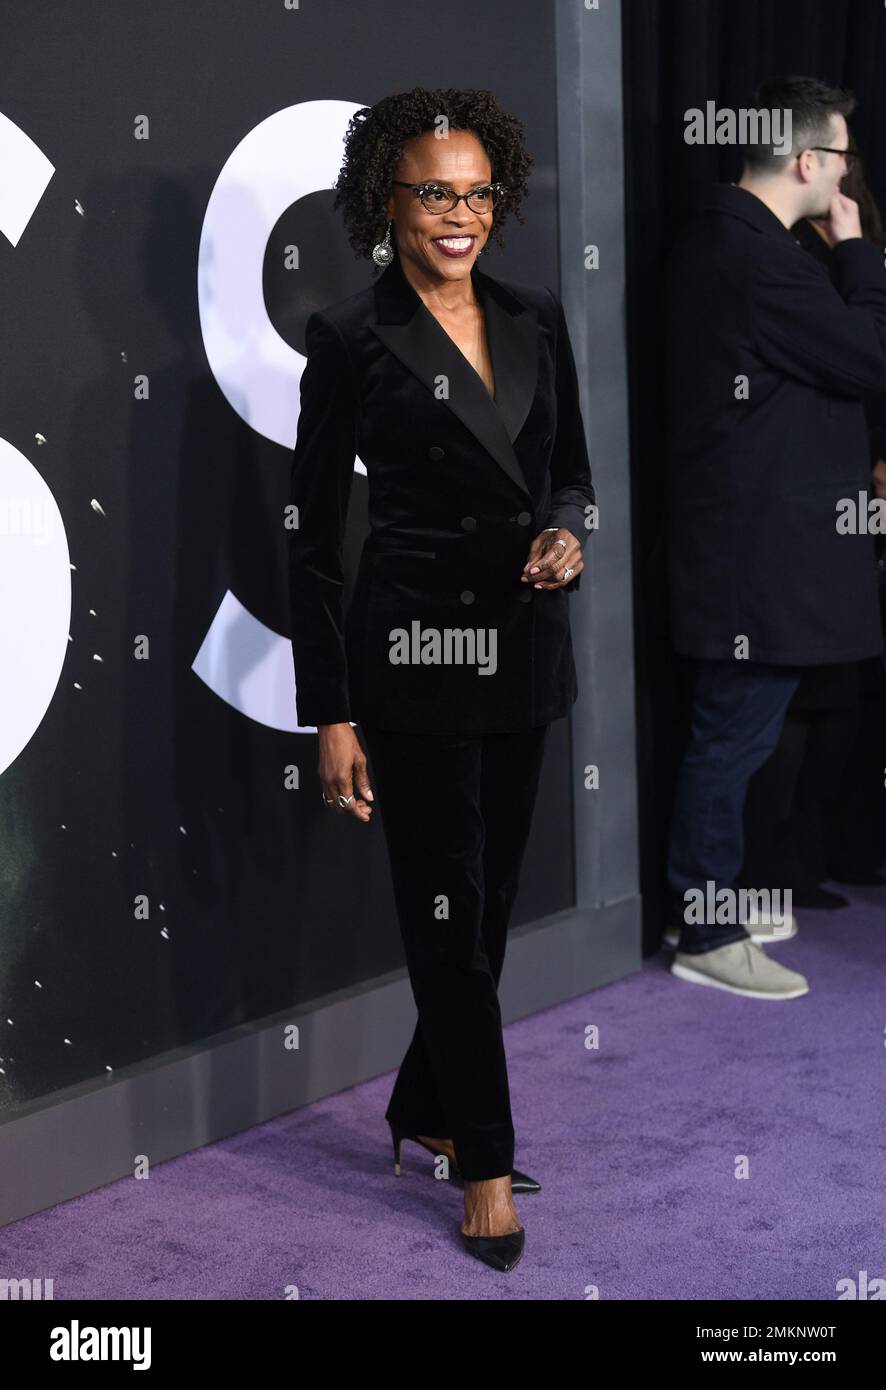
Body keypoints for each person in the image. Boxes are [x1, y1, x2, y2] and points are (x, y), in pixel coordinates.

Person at [288, 87, 594, 1271]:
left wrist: (567, 534)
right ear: (389, 200)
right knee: (450, 921)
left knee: (489, 906)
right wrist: (334, 708)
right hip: (411, 659)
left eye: (476, 193)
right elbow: (313, 541)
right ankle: (480, 1161)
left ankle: (422, 1102)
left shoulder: (535, 314)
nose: (458, 215)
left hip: (522, 650)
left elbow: (568, 474)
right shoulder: (352, 337)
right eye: (432, 193)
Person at [663, 76, 886, 997]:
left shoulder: (742, 244)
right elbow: (872, 357)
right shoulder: (756, 257)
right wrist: (861, 252)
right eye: (839, 157)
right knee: (731, 741)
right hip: (754, 559)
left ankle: (720, 907)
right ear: (809, 161)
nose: (844, 177)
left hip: (755, 550)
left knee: (740, 738)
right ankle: (707, 931)